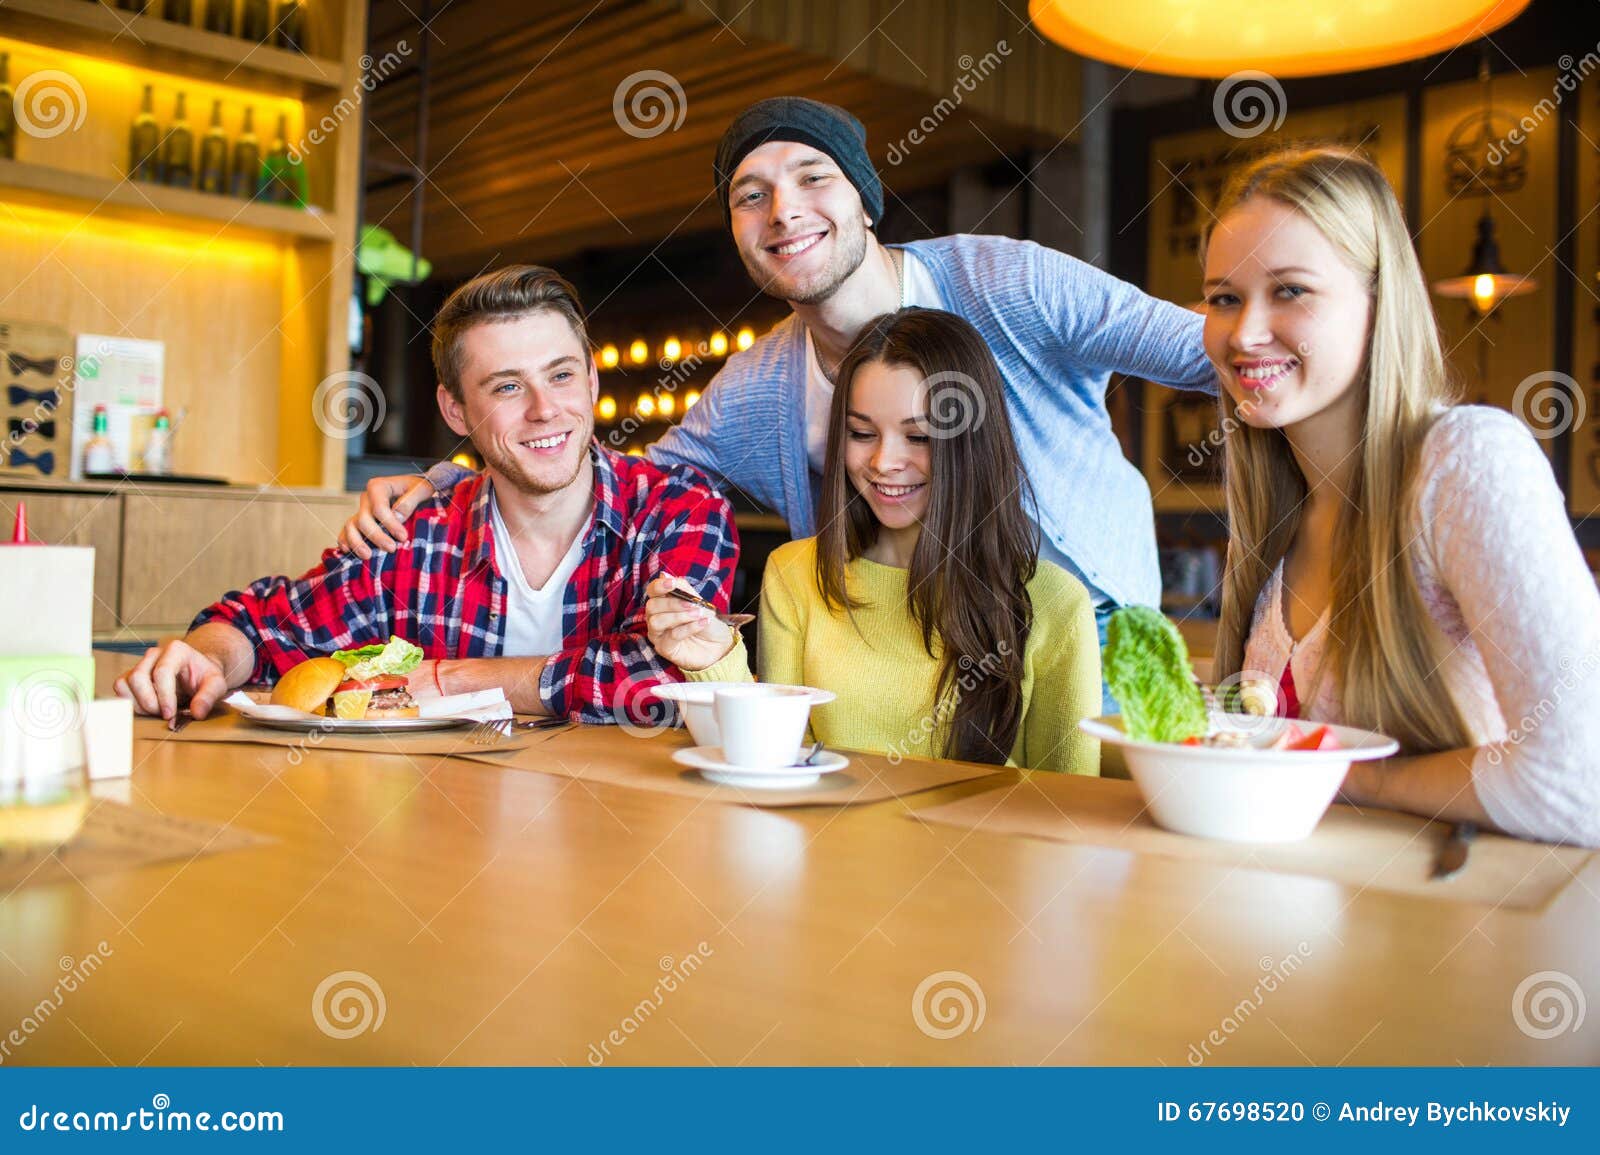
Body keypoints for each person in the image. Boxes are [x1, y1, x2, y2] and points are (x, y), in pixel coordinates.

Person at [336, 97, 1217, 709]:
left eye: (812, 178)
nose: (782, 211)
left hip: (1100, 632)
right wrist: (447, 478)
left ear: (865, 201)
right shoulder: (757, 389)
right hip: (908, 665)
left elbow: (1214, 353)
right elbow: (613, 478)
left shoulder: (1007, 283)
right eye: (749, 196)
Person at [114, 266, 739, 725]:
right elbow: (259, 624)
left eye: (561, 375)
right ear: (455, 410)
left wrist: (452, 679)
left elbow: (670, 675)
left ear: (592, 380)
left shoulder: (681, 510)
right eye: (506, 387)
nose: (546, 409)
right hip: (439, 834)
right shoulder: (416, 532)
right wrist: (205, 661)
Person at [1201, 145, 1600, 846]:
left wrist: (1352, 776)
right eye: (1224, 298)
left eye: (1290, 290)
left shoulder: (1466, 461)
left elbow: (1582, 783)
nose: (1245, 332)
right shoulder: (1272, 507)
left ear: (1379, 304)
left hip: (1458, 908)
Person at [644, 308, 1101, 774]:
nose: (884, 462)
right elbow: (777, 767)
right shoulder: (795, 574)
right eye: (862, 433)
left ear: (972, 442)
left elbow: (1071, 805)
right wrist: (714, 659)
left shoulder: (1055, 603)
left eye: (918, 436)